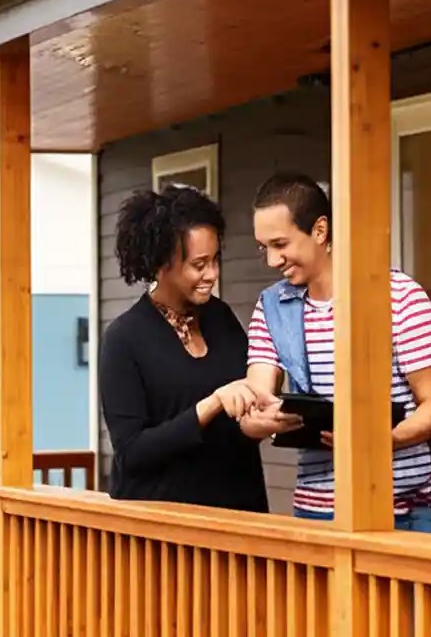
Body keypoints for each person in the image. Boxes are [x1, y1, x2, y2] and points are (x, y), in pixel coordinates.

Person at [243, 172, 431, 532]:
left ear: (320, 231)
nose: (272, 260)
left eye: (281, 244)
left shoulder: (400, 297)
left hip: (398, 509)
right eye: (265, 248)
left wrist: (376, 440)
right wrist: (259, 420)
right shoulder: (272, 307)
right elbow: (254, 404)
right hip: (315, 512)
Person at [99, 185, 301, 512]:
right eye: (199, 264)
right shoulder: (124, 339)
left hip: (238, 517)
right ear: (160, 263)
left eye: (216, 259)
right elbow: (132, 453)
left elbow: (240, 415)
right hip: (165, 535)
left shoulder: (221, 318)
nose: (212, 274)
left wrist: (262, 420)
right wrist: (210, 405)